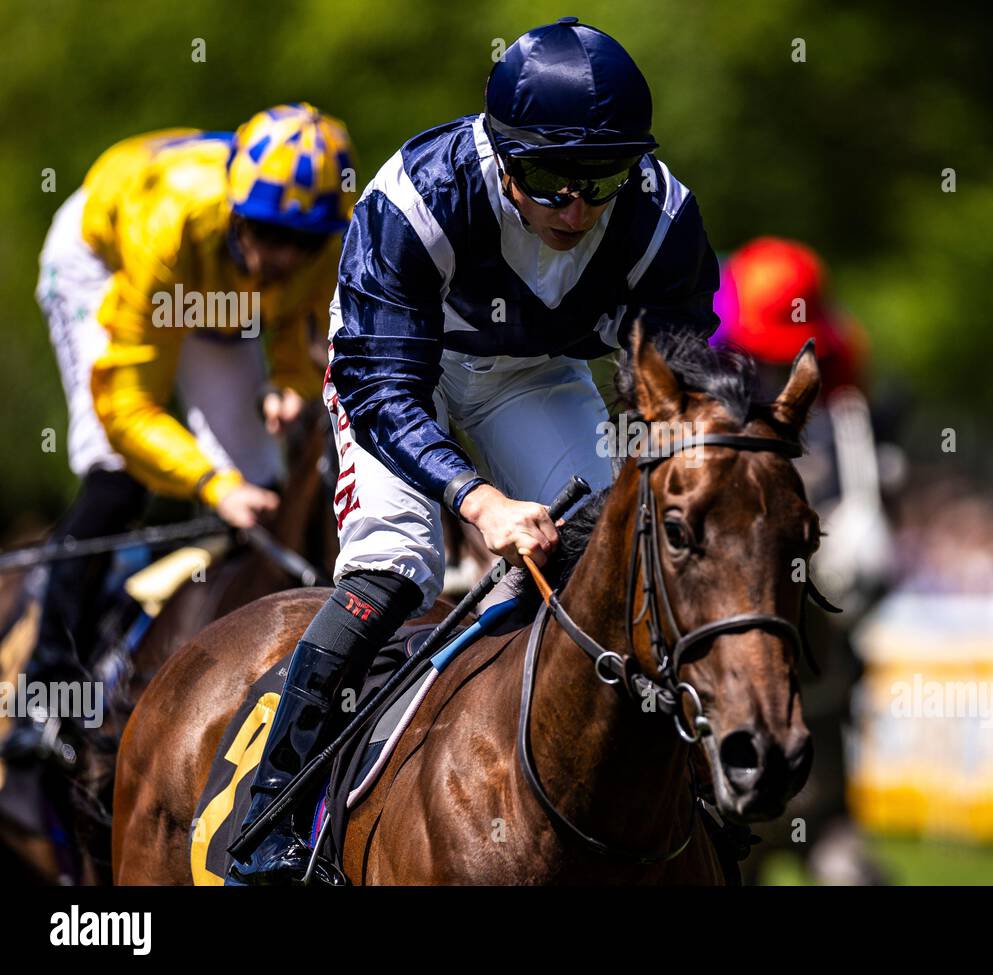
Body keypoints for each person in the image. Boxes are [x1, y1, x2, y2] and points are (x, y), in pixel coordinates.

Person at [227, 18, 721, 885]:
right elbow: (380, 389)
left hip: (530, 372)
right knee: (396, 565)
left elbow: (680, 386)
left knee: (621, 565)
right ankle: (269, 818)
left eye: (600, 178)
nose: (575, 207)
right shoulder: (417, 199)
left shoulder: (659, 219)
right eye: (547, 177)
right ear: (498, 158)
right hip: (401, 373)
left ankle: (694, 802)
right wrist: (478, 500)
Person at [2, 104, 356, 768]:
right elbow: (130, 407)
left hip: (212, 290)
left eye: (303, 242)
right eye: (270, 233)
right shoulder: (168, 225)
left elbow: (295, 321)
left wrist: (286, 384)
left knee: (269, 488)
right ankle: (44, 692)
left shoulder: (311, 243)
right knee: (117, 470)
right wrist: (209, 484)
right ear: (238, 207)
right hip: (108, 263)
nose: (283, 257)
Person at [711, 237, 894, 884]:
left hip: (818, 654)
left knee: (841, 852)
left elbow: (863, 478)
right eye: (767, 353)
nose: (783, 365)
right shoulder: (704, 382)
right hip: (729, 637)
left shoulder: (843, 377)